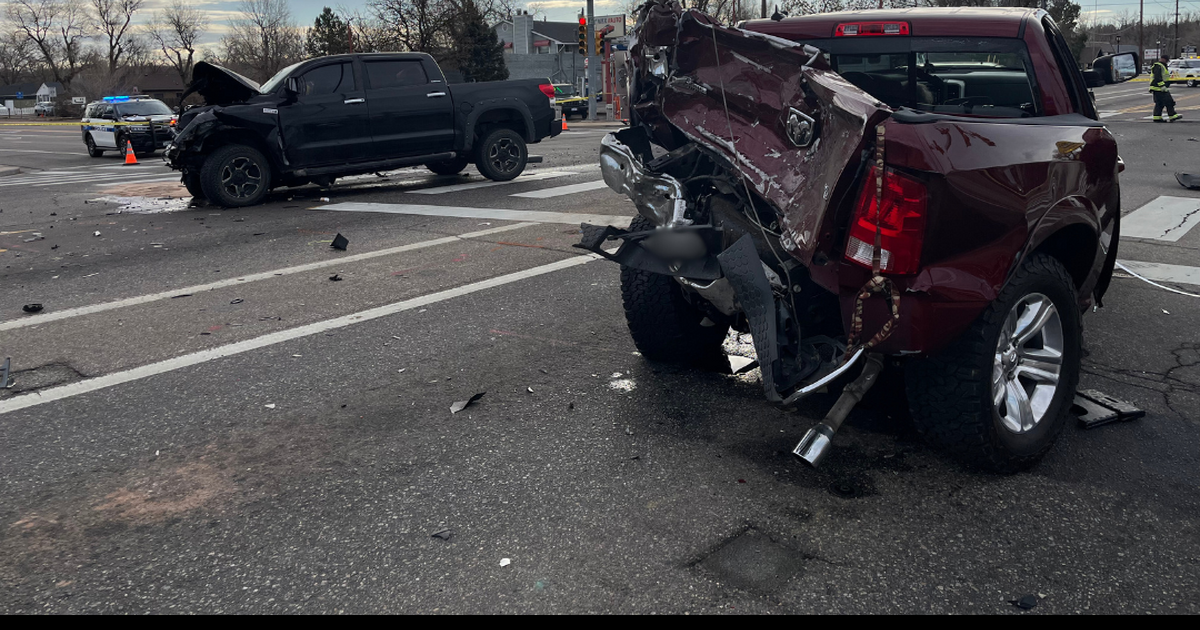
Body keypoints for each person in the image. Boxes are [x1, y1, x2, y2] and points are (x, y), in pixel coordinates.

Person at [1150, 55, 1182, 122]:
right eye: (1166, 60)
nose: (1167, 62)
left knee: (1160, 103)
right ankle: (1172, 115)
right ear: (1163, 59)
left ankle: (1157, 117)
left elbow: (1165, 77)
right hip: (1159, 88)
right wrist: (1162, 86)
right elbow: (1157, 77)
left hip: (1158, 88)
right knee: (1169, 102)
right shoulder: (1158, 66)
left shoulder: (1162, 66)